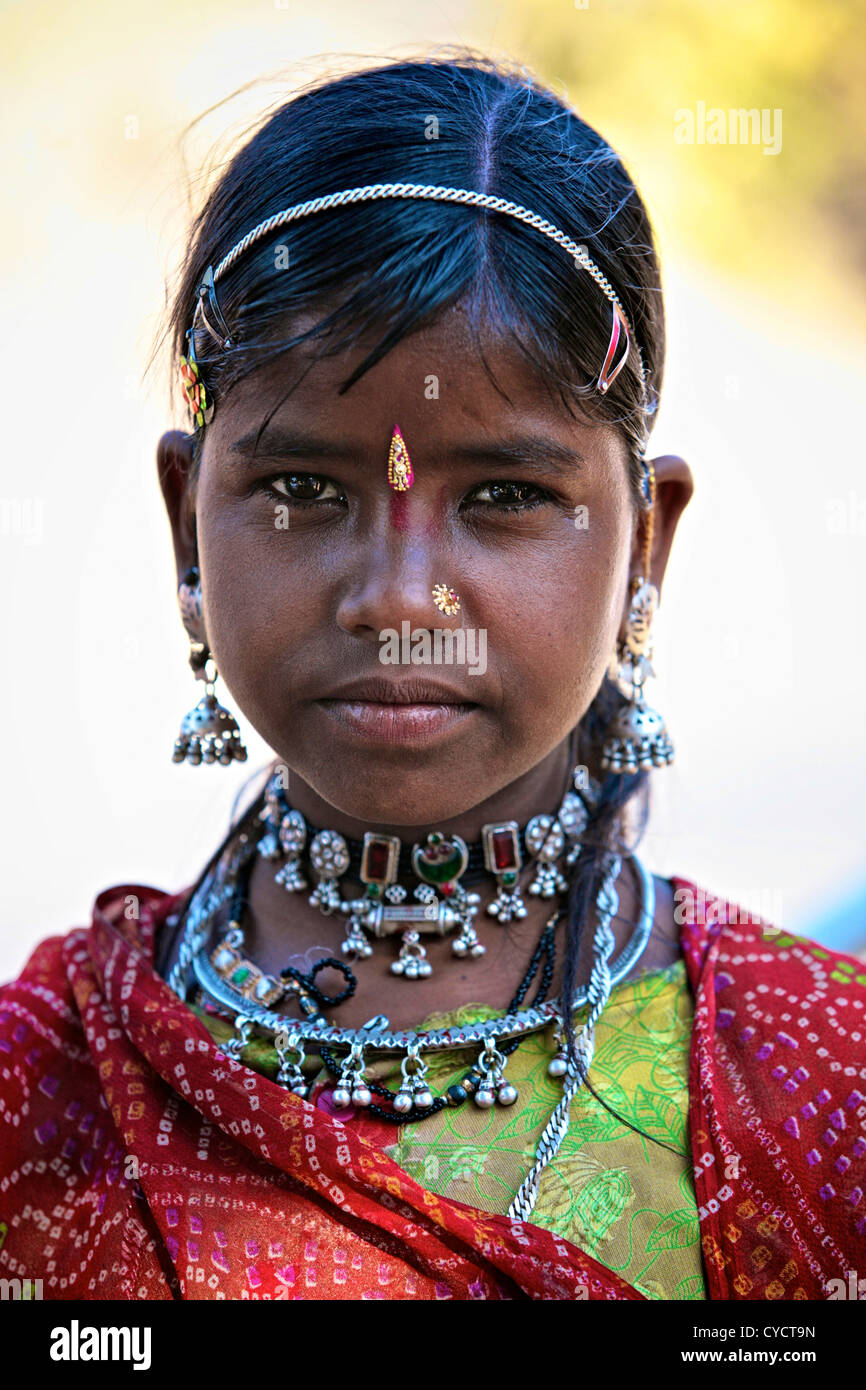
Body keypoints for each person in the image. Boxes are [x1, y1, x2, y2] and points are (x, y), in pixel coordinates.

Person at [1, 52, 863, 1304]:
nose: (401, 598)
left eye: (507, 496)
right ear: (188, 522)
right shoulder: (46, 1092)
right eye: (301, 488)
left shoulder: (819, 1076)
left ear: (646, 540)